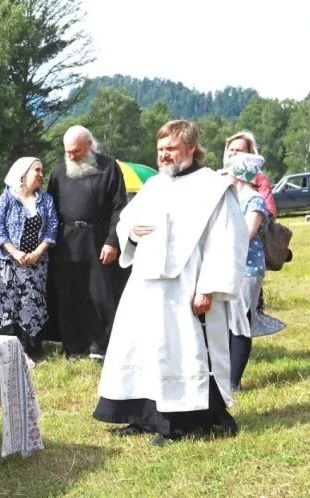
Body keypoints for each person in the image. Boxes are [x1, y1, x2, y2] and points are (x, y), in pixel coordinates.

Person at [93, 120, 247, 447]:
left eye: (171, 148)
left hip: (187, 287)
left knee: (183, 352)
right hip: (146, 286)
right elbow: (126, 224)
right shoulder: (155, 186)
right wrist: (132, 234)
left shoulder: (213, 188)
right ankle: (143, 416)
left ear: (191, 148)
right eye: (161, 148)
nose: (164, 155)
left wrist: (208, 289)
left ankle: (181, 422)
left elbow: (228, 242)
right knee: (144, 348)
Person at [45, 125, 129, 360]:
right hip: (67, 243)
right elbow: (50, 209)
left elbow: (119, 207)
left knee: (100, 294)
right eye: (67, 152)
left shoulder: (109, 167)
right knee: (68, 294)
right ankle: (73, 346)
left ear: (90, 145)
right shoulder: (59, 173)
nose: (71, 156)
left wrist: (112, 241)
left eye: (76, 151)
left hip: (98, 238)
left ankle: (100, 346)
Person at [0, 157, 59, 358]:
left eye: (41, 170)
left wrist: (37, 252)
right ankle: (12, 351)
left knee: (33, 302)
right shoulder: (7, 198)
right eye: (37, 170)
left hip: (36, 264)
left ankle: (32, 349)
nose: (41, 174)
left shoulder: (45, 200)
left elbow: (52, 227)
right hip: (9, 265)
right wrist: (15, 252)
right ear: (23, 173)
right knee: (10, 304)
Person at [225, 153, 270, 392]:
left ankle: (234, 382)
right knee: (229, 321)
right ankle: (227, 378)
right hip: (230, 266)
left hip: (248, 269)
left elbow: (246, 233)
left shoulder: (255, 200)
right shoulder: (231, 197)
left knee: (240, 322)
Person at [223, 131, 276, 217]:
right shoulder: (219, 177)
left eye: (239, 150)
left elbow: (271, 213)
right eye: (231, 149)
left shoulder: (260, 179)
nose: (233, 153)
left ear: (249, 154)